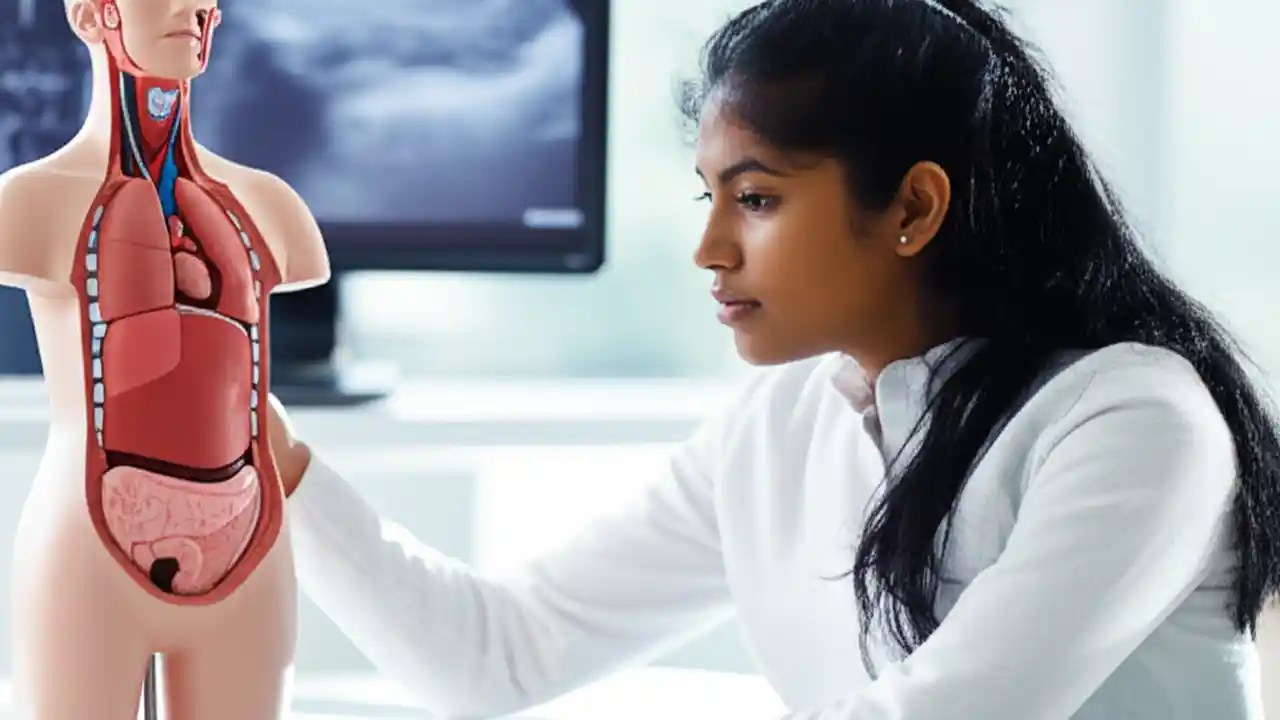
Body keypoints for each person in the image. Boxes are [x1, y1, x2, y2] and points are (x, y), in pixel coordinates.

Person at [265, 1, 1280, 717]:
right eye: (705, 196)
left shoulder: (1133, 421)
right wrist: (265, 452)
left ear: (914, 207)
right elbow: (492, 658)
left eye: (754, 198)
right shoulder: (779, 424)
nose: (708, 247)